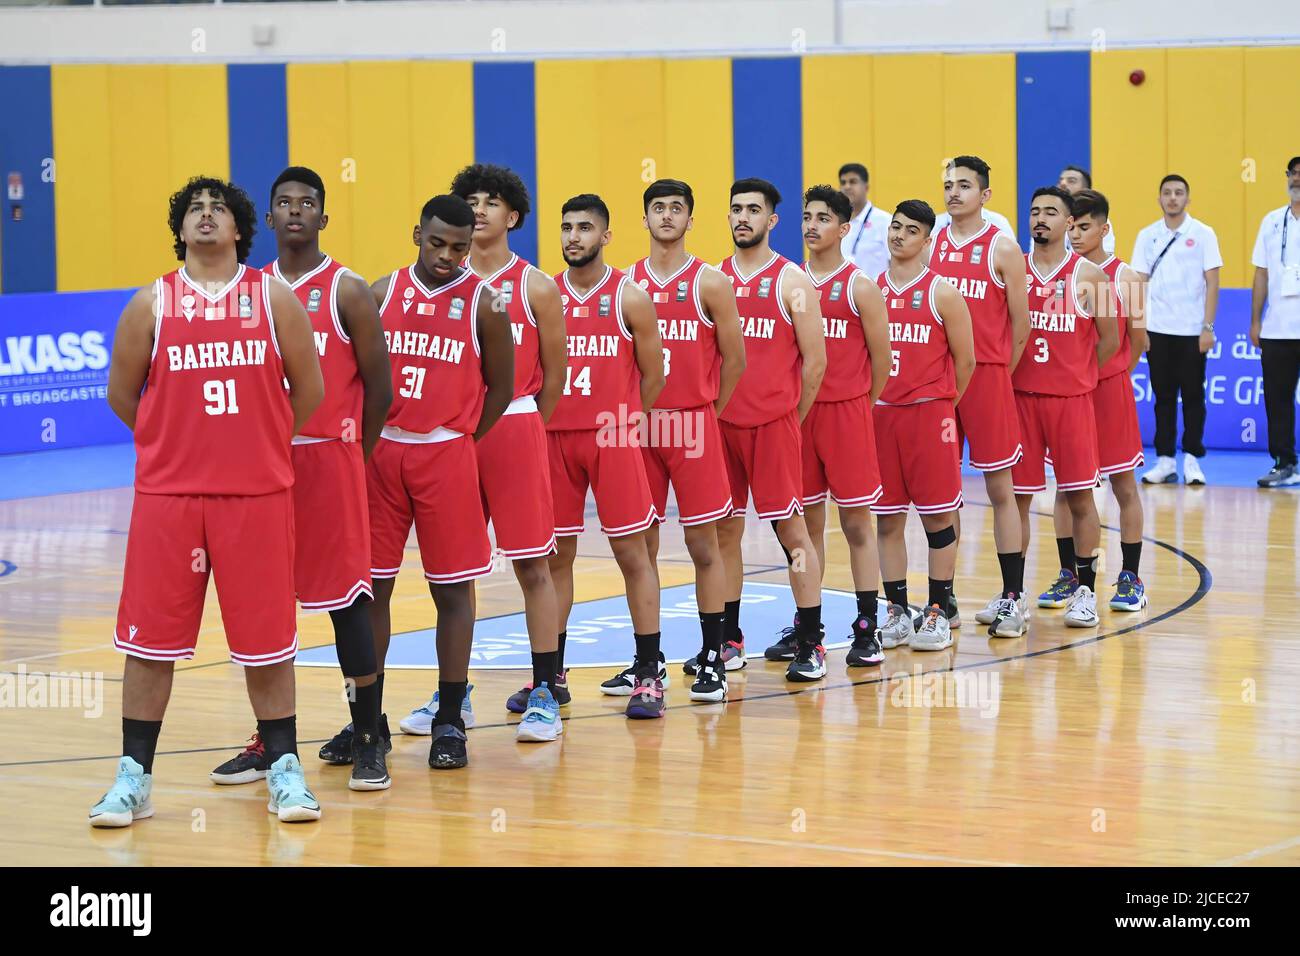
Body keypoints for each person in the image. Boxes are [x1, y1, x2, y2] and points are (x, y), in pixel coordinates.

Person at [93, 176, 325, 826]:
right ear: (181, 227)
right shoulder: (151, 304)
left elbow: (307, 389)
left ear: (239, 228)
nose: (204, 216)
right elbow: (122, 394)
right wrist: (176, 444)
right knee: (150, 645)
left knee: (267, 643)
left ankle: (284, 770)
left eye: (216, 208)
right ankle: (133, 778)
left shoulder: (273, 298)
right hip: (171, 500)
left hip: (256, 495)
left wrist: (256, 442)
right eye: (193, 209)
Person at [210, 166, 394, 789]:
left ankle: (370, 735)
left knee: (349, 607)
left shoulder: (346, 290)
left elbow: (380, 388)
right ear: (266, 218)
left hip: (327, 461)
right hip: (261, 467)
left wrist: (353, 457)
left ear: (323, 217)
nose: (294, 211)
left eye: (307, 203)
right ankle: (271, 739)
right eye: (283, 202)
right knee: (266, 611)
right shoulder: (247, 291)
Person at [397, 163, 569, 743]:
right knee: (456, 570)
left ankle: (546, 689)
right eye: (470, 200)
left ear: (513, 215)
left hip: (514, 426)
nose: (478, 208)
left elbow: (554, 378)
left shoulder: (536, 286)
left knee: (532, 564)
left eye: (491, 201)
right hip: (453, 438)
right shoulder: (443, 278)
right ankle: (457, 693)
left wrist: (522, 431)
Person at [348, 194, 514, 770]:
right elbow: (358, 380)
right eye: (437, 243)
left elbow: (501, 387)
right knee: (370, 589)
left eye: (460, 248)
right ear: (416, 233)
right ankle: (366, 721)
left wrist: (463, 435)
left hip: (446, 455)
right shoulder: (377, 294)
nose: (447, 256)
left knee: (452, 592)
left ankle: (450, 717)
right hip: (383, 456)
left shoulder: (487, 304)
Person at [548, 194, 670, 718]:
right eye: (567, 227)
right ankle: (550, 675)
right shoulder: (543, 294)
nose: (574, 237)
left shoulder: (630, 296)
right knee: (555, 558)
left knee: (632, 555)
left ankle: (648, 671)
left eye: (585, 228)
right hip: (553, 438)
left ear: (606, 235)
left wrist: (620, 417)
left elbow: (654, 376)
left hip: (613, 437)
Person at [629, 179, 746, 702]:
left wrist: (706, 411)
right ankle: (646, 662)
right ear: (646, 219)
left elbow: (735, 360)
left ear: (691, 220)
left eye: (677, 208)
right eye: (658, 208)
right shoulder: (626, 282)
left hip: (693, 426)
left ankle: (713, 657)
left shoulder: (711, 282)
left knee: (705, 545)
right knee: (641, 547)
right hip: (639, 428)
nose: (667, 216)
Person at [717, 178, 830, 681]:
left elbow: (815, 364)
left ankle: (812, 640)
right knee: (724, 532)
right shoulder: (713, 279)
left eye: (753, 210)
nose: (743, 217)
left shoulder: (792, 281)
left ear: (772, 220)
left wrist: (790, 417)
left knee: (793, 534)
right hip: (721, 428)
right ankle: (728, 639)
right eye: (736, 209)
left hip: (774, 426)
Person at [929, 156, 1031, 638]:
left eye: (964, 185)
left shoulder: (1003, 249)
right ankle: (942, 598)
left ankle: (1013, 596)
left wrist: (997, 375)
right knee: (941, 492)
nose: (953, 192)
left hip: (987, 378)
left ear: (985, 195)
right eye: (948, 184)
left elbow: (1021, 323)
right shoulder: (930, 245)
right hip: (940, 381)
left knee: (1000, 488)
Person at [871, 200, 975, 653]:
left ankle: (937, 610)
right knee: (888, 520)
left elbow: (966, 360)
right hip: (882, 415)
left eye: (910, 230)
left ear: (926, 240)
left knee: (937, 519)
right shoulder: (869, 289)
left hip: (930, 415)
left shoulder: (943, 293)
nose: (899, 236)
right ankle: (896, 612)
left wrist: (942, 403)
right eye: (895, 227)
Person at [1013, 186, 1118, 628]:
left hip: (1070, 402)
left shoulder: (1092, 277)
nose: (1040, 219)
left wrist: (1075, 373)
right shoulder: (1012, 270)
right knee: (1015, 500)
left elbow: (1110, 340)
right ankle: (1011, 595)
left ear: (1069, 223)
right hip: (1020, 400)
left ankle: (1085, 592)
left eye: (1051, 212)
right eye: (1034, 212)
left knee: (1079, 498)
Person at [1044, 189, 1150, 612]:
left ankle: (1131, 576)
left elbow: (1137, 341)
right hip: (1072, 393)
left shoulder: (1123, 278)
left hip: (1107, 390)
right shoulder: (1064, 273)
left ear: (1105, 228)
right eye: (1071, 225)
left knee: (1123, 484)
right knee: (1068, 489)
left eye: (1084, 226)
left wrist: (1102, 374)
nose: (1075, 233)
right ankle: (1071, 573)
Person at [798, 184, 891, 665]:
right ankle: (808, 628)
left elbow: (883, 361)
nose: (812, 225)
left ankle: (866, 626)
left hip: (846, 416)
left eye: (822, 218)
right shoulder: (789, 282)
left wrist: (856, 403)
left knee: (857, 525)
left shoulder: (860, 285)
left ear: (844, 227)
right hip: (799, 418)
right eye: (806, 217)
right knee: (805, 529)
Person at [1132, 174, 1222, 486]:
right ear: (1159, 198)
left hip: (1191, 331)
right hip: (1158, 329)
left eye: (1179, 193)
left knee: (1194, 395)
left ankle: (1193, 459)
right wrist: (1140, 328)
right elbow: (1139, 283)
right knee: (1163, 396)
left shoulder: (1203, 234)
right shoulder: (1147, 236)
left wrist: (1207, 327)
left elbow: (1212, 282)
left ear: (1187, 198)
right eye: (1167, 193)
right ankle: (1166, 459)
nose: (1173, 198)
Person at [1251, 156, 1300, 488]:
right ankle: (1284, 462)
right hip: (1278, 329)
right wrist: (1255, 320)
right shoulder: (1271, 221)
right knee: (1278, 398)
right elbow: (1261, 273)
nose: (1297, 179)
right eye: (1294, 174)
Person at [837, 163, 892, 280]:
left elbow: (895, 262)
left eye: (853, 182)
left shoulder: (884, 221)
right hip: (841, 293)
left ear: (866, 187)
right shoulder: (836, 222)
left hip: (876, 294)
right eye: (843, 183)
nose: (847, 187)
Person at [1058, 165, 1117, 255]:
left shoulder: (1100, 220)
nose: (1063, 184)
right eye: (1060, 180)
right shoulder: (1048, 221)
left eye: (1071, 181)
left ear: (1086, 190)